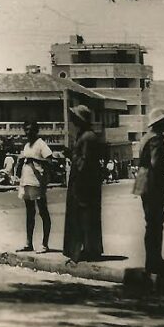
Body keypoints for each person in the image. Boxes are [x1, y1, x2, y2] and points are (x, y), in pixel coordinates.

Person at [63, 105, 104, 263]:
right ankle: (87, 248)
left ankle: (88, 249)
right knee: (85, 217)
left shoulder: (88, 137)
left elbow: (85, 162)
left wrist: (72, 156)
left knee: (85, 217)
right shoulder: (85, 135)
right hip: (83, 182)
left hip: (84, 184)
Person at [137, 108, 164, 274]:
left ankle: (152, 260)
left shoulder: (145, 137)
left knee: (151, 222)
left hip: (143, 182)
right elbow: (157, 163)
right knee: (155, 223)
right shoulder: (156, 139)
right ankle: (154, 261)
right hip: (153, 183)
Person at [16, 121, 53, 253]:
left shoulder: (41, 144)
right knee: (29, 213)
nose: (27, 132)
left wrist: (34, 159)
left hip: (38, 183)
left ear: (36, 130)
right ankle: (28, 243)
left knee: (43, 212)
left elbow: (50, 160)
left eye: (30, 129)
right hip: (26, 182)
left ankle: (45, 244)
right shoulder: (27, 145)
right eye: (25, 130)